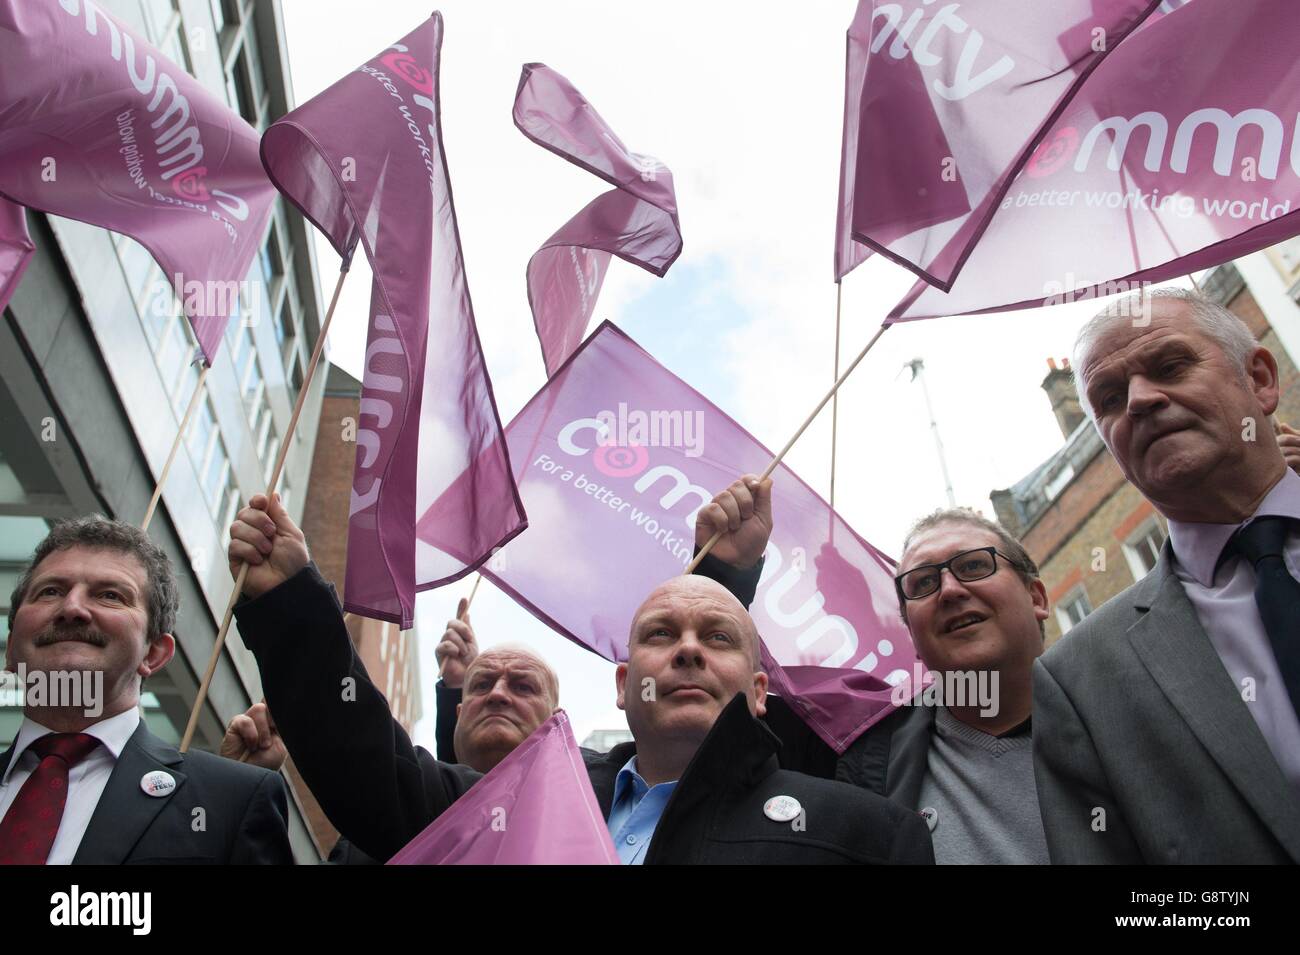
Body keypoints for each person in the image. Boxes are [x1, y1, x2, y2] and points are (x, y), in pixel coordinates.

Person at [226, 493, 934, 864]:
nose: (687, 651)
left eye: (718, 639)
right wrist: (291, 603)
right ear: (623, 685)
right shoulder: (515, 805)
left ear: (757, 692)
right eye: (661, 635)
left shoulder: (863, 832)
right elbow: (366, 767)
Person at [1033, 287, 1300, 863]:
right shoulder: (1079, 680)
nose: (1139, 401)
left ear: (1259, 379)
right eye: (1108, 397)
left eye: (1171, 366)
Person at [694, 479, 1051, 863]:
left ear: (1037, 598)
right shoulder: (854, 746)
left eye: (974, 565)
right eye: (924, 582)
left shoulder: (1112, 711)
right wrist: (724, 575)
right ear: (911, 633)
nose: (949, 590)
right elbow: (708, 730)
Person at [0, 517, 292, 864]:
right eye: (50, 591)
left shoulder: (231, 802)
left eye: (110, 595)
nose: (72, 608)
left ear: (153, 654)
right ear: (11, 648)